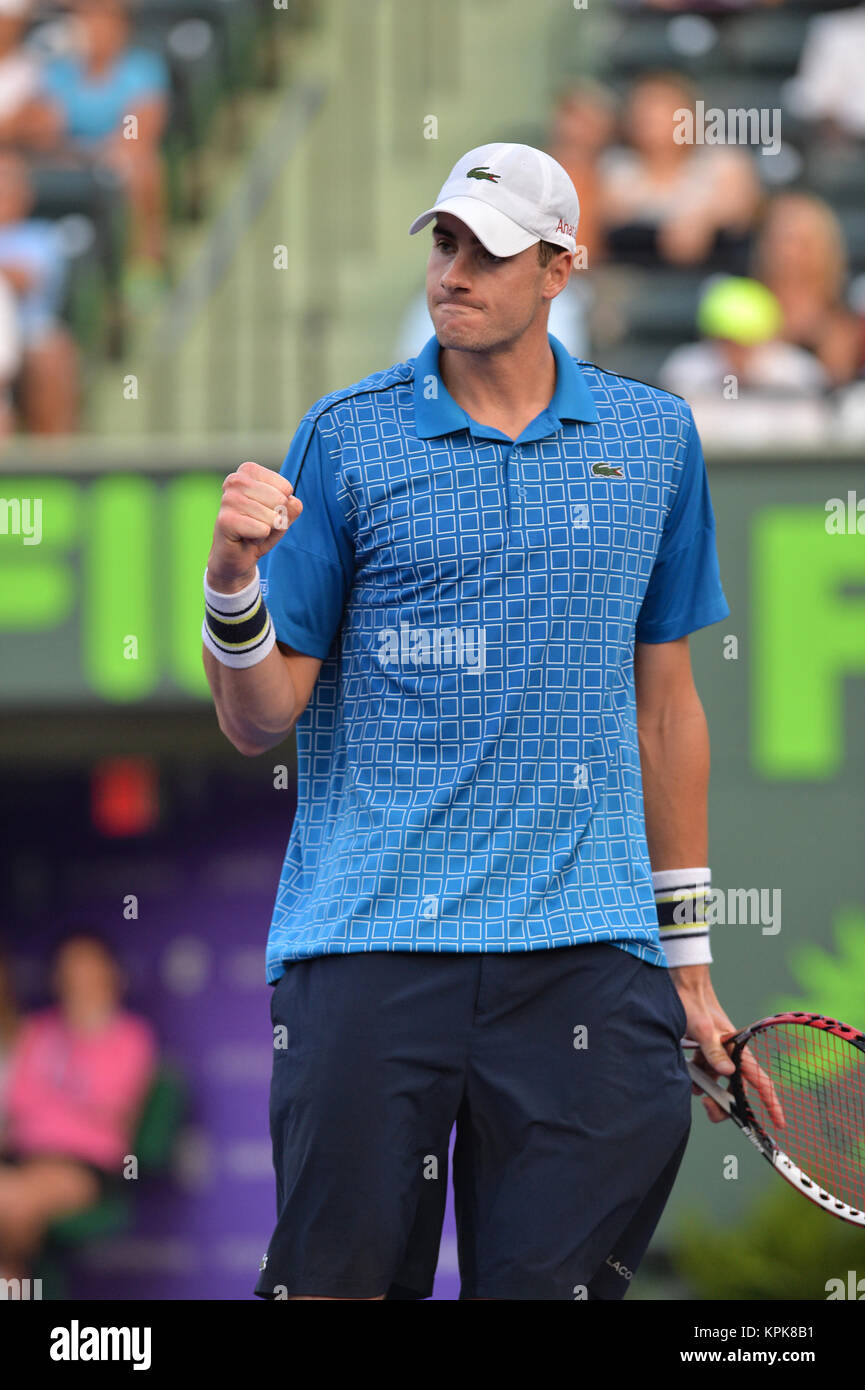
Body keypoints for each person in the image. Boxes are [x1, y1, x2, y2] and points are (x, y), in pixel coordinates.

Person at [203, 142, 741, 1302]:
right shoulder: (343, 437)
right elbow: (259, 719)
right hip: (368, 947)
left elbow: (666, 709)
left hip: (588, 963)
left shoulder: (654, 441)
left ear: (558, 270)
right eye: (444, 242)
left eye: (488, 252)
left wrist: (688, 966)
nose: (455, 271)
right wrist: (230, 591)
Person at [0, 931, 157, 1281]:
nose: (78, 977)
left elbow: (113, 1106)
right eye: (70, 968)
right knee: (10, 1204)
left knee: (15, 1205)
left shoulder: (131, 1035)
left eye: (87, 967)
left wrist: (87, 1034)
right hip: (21, 1155)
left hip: (82, 1165)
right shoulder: (39, 1029)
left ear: (110, 973)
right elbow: (20, 1101)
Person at [38, 0, 170, 280]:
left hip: (117, 157)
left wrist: (106, 150)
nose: (94, 29)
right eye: (87, 22)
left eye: (103, 22)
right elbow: (46, 129)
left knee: (142, 167)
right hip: (66, 159)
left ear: (121, 28)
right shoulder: (58, 72)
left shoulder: (140, 70)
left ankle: (145, 260)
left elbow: (138, 129)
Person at [598, 71, 762, 272]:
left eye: (662, 108)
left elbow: (742, 213)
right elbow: (604, 219)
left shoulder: (724, 161)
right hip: (634, 278)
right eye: (643, 110)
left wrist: (706, 220)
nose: (651, 119)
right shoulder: (615, 168)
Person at [0, 148, 77, 433]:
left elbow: (25, 279)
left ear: (25, 194)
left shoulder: (40, 236)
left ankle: (52, 461)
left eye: (7, 182)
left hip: (25, 332)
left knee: (52, 353)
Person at [751, 194, 864, 389]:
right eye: (783, 240)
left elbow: (839, 385)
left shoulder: (844, 317)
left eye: (802, 243)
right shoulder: (746, 303)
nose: (789, 253)